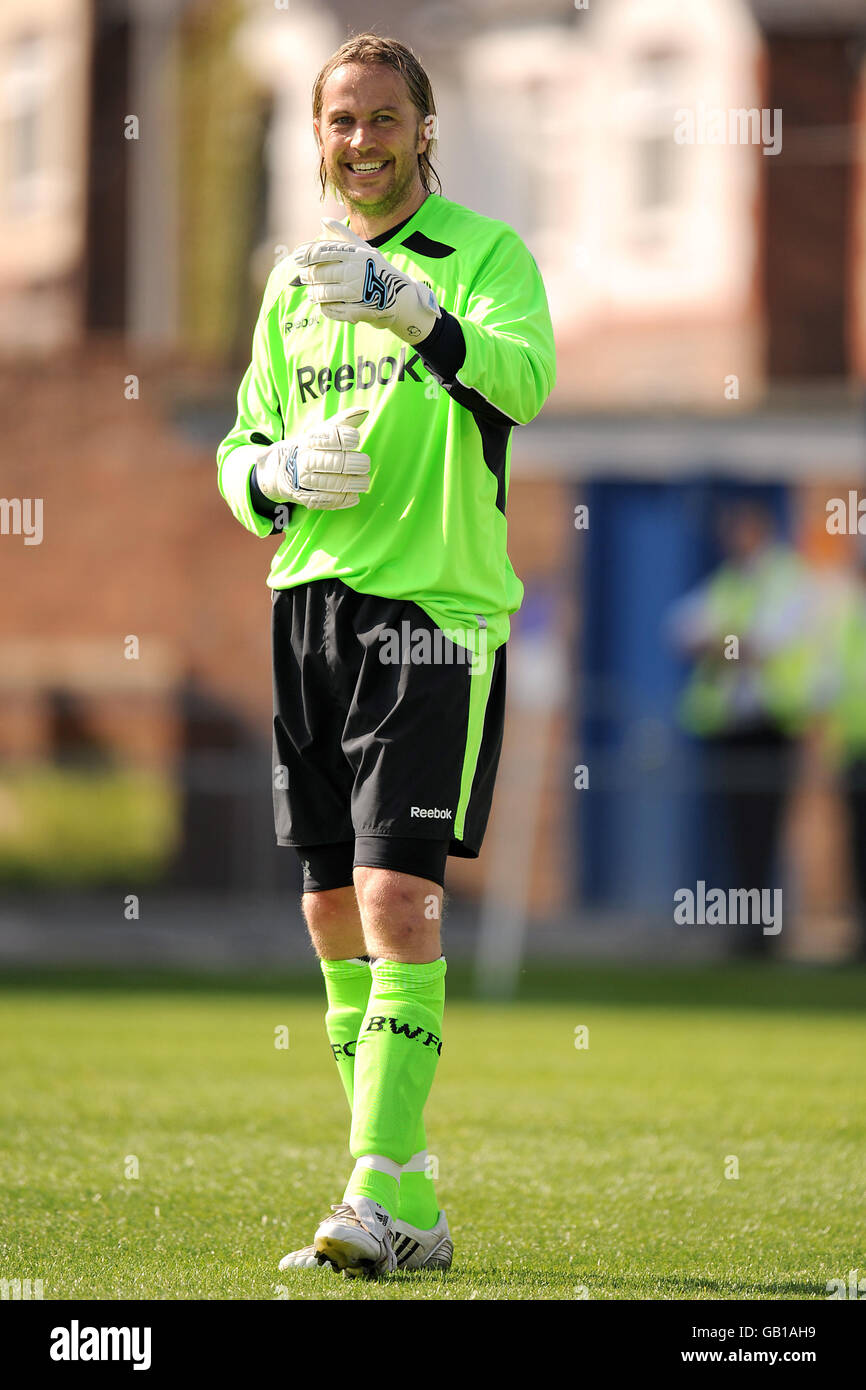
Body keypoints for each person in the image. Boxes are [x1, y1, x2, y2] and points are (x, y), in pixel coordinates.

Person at [216, 33, 556, 1277]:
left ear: (423, 129)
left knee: (395, 898)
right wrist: (274, 472)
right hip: (307, 604)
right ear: (317, 138)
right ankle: (404, 1192)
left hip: (433, 612)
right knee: (324, 910)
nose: (356, 142)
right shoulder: (289, 282)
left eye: (379, 119)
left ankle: (373, 1187)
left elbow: (523, 381)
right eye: (337, 122)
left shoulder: (485, 253)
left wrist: (414, 312)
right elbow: (242, 439)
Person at [668, 501, 818, 957]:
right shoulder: (730, 582)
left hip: (770, 726)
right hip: (729, 728)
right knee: (737, 836)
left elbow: (766, 645)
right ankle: (745, 933)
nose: (734, 540)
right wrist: (731, 643)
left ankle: (764, 935)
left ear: (762, 531)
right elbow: (680, 630)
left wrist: (722, 644)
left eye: (742, 530)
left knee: (763, 834)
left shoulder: (787, 579)